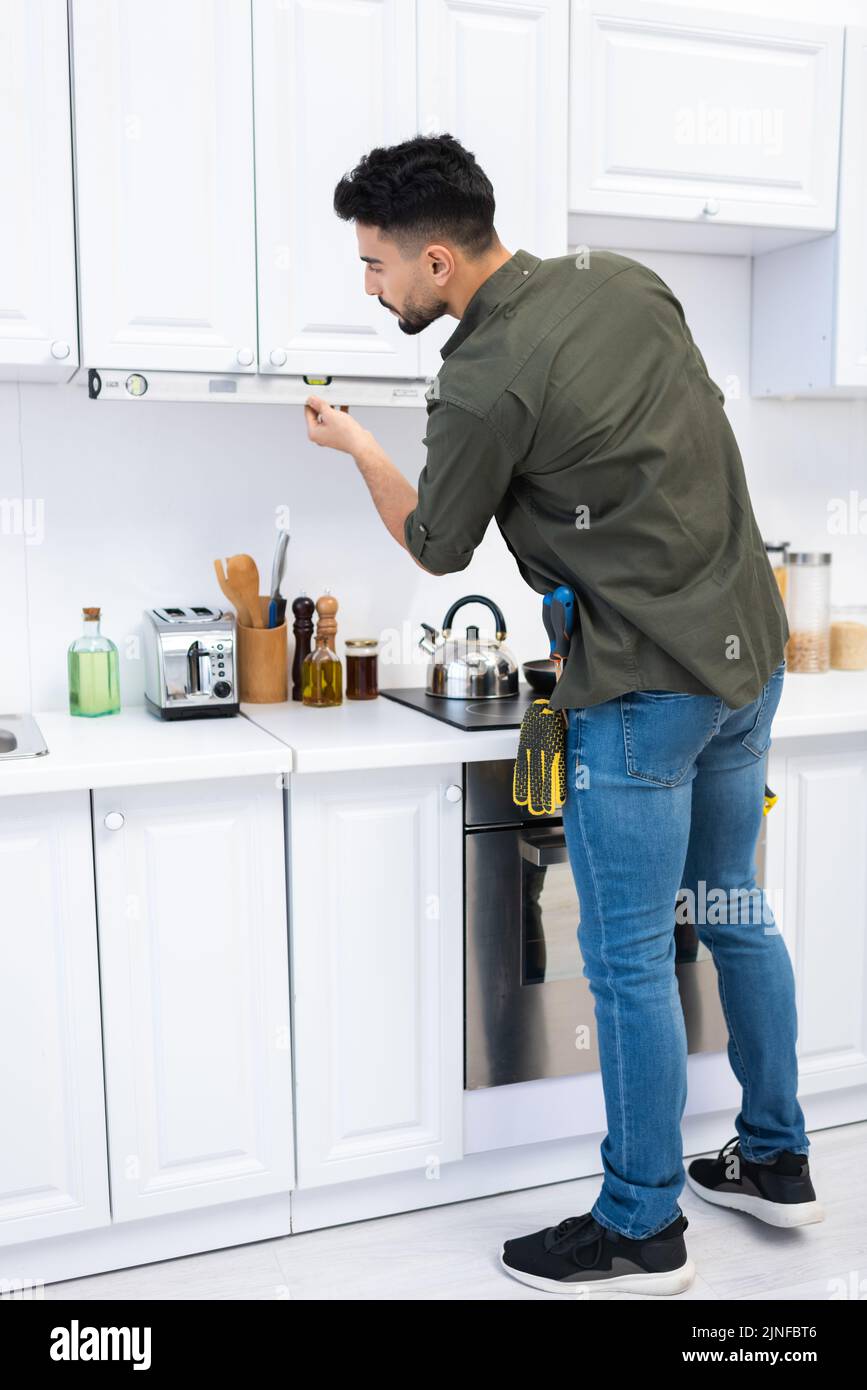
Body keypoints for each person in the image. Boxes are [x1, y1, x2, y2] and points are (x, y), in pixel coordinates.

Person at [304, 133, 822, 1297]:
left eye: (377, 265)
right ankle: (779, 1161)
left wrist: (359, 446)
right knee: (735, 911)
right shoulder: (624, 278)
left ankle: (641, 1223)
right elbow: (651, 453)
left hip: (644, 696)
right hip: (749, 662)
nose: (372, 284)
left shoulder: (480, 378)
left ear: (438, 261)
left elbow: (436, 545)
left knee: (630, 957)